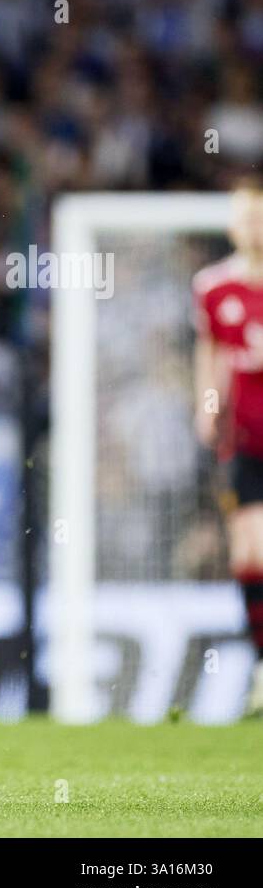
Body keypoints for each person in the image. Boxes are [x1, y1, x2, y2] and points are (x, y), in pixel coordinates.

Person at [192, 175, 263, 718]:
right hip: (245, 439)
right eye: (242, 214)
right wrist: (207, 406)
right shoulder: (214, 287)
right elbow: (211, 355)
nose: (248, 223)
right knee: (248, 553)